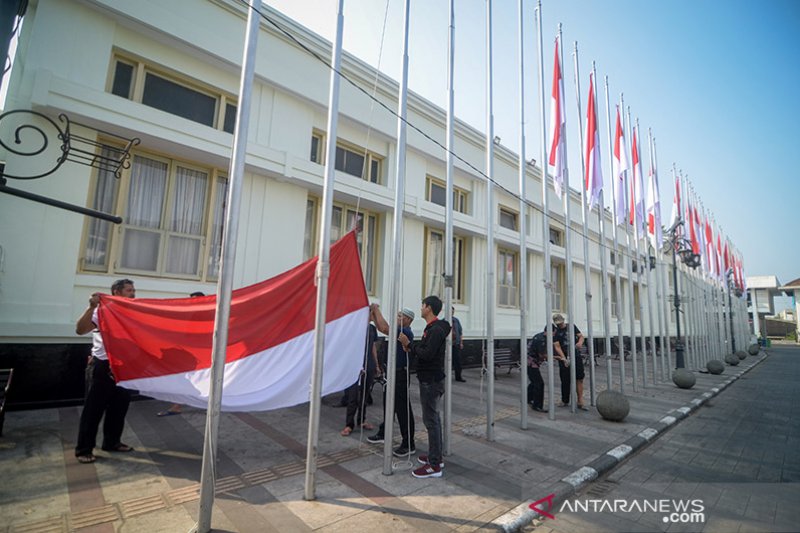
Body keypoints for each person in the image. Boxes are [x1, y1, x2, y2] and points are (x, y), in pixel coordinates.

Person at [74, 279, 136, 464]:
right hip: (102, 366)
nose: (133, 293)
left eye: (133, 290)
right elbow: (80, 330)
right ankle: (84, 449)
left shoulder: (133, 313)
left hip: (124, 367)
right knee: (93, 410)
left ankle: (112, 442)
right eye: (129, 290)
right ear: (117, 292)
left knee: (119, 408)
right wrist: (91, 307)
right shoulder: (102, 312)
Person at [399, 295, 450, 479]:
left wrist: (409, 344)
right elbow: (424, 349)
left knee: (431, 421)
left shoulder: (435, 329)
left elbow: (427, 354)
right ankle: (436, 456)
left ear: (428, 308)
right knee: (433, 420)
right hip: (429, 379)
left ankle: (434, 465)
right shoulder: (432, 328)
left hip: (431, 381)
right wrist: (412, 347)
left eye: (422, 305)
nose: (420, 308)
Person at [367, 304, 415, 456]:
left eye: (400, 316)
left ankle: (408, 443)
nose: (397, 318)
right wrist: (373, 315)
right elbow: (381, 327)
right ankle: (384, 432)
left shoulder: (405, 331)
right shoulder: (399, 330)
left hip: (400, 375)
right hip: (392, 372)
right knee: (389, 406)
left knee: (402, 410)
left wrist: (376, 310)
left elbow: (384, 328)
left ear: (408, 320)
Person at [157, 291, 206, 417]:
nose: (192, 303)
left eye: (195, 300)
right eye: (191, 301)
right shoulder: (190, 314)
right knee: (187, 378)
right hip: (191, 354)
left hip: (201, 354)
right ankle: (178, 405)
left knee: (197, 378)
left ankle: (179, 405)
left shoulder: (205, 315)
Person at [341, 322, 380, 436]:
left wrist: (376, 364)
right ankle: (349, 424)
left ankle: (361, 420)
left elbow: (373, 346)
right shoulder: (354, 324)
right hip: (355, 366)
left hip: (369, 364)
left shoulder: (372, 328)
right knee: (353, 396)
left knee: (365, 395)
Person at [552, 314, 587, 410]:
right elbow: (557, 346)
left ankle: (580, 400)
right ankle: (565, 400)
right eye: (558, 324)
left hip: (576, 355)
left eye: (561, 323)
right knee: (565, 379)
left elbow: (581, 336)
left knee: (579, 378)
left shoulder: (571, 326)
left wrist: (580, 343)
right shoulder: (555, 332)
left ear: (563, 321)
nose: (560, 325)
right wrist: (564, 359)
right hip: (564, 357)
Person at [526, 330, 547, 412]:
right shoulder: (541, 340)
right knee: (539, 383)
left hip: (528, 362)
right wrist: (556, 357)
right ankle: (537, 405)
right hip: (532, 363)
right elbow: (541, 355)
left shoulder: (538, 335)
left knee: (534, 381)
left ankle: (528, 398)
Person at [451, 307, 465, 382]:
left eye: (453, 312)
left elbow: (460, 332)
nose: (452, 313)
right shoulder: (444, 321)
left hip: (456, 344)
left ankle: (458, 377)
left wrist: (461, 342)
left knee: (458, 362)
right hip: (447, 345)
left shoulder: (456, 321)